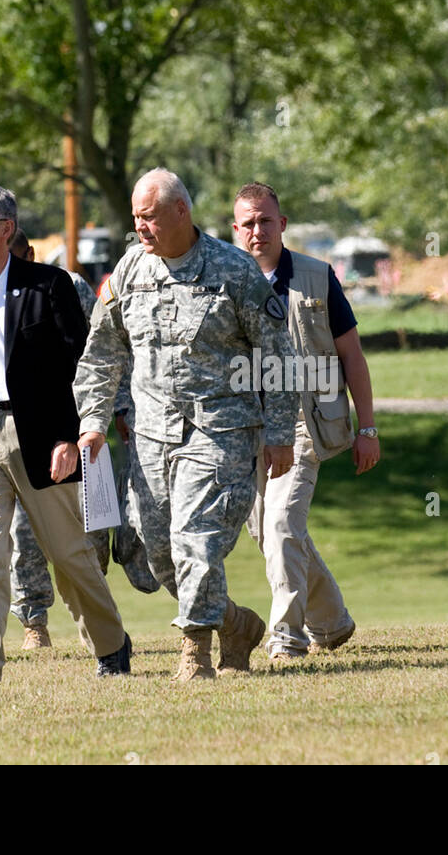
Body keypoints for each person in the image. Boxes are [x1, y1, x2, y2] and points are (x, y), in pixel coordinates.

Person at [74, 167, 298, 681]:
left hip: (221, 431)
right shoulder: (129, 272)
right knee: (161, 559)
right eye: (135, 219)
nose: (140, 229)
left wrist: (281, 432)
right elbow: (102, 353)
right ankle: (236, 624)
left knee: (196, 539)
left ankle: (195, 653)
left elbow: (278, 356)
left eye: (148, 217)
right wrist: (92, 421)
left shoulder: (234, 271)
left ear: (181, 212)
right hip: (151, 437)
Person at [0, 182, 130, 686]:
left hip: (39, 432)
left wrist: (68, 436)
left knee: (68, 553)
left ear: (6, 229)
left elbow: (79, 368)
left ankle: (111, 643)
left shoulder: (50, 286)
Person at [231, 182, 377, 662]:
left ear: (283, 224)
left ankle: (287, 638)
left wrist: (368, 428)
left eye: (266, 221)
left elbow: (351, 354)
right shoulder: (224, 280)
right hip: (244, 429)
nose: (258, 231)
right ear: (236, 229)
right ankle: (332, 622)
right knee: (272, 530)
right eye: (248, 223)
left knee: (280, 523)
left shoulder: (318, 276)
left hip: (303, 424)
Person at [0, 228, 110, 649]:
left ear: (28, 253)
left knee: (88, 530)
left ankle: (96, 614)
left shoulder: (69, 286)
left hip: (78, 428)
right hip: (21, 433)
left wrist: (109, 414)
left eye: (13, 255)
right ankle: (34, 623)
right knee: (23, 532)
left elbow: (99, 353)